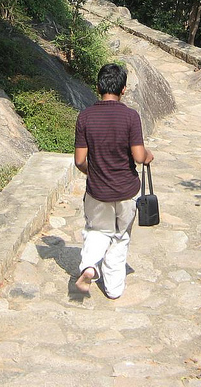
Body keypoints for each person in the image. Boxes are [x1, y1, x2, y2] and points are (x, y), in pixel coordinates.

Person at [73, 62, 153, 298]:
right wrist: (149, 156)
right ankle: (114, 289)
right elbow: (139, 156)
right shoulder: (130, 117)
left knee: (97, 230)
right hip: (127, 191)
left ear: (98, 86)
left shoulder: (85, 117)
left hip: (97, 192)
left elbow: (79, 161)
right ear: (124, 89)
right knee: (120, 237)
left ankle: (89, 265)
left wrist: (94, 171)